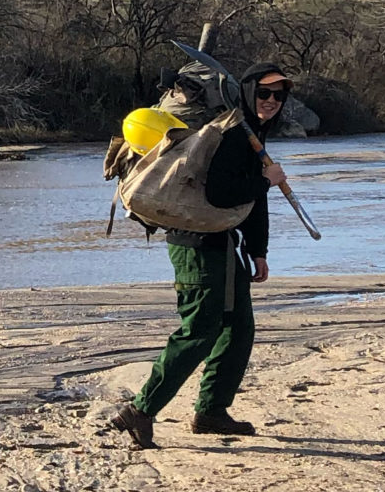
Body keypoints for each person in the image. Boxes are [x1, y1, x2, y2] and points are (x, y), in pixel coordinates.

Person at [108, 62, 293, 446]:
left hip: (227, 245)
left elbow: (252, 204)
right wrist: (265, 181)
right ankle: (140, 410)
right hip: (196, 246)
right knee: (200, 332)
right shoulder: (231, 135)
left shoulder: (251, 133)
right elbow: (222, 195)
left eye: (279, 94)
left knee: (238, 330)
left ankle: (211, 411)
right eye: (264, 92)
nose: (272, 101)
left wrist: (259, 251)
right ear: (248, 92)